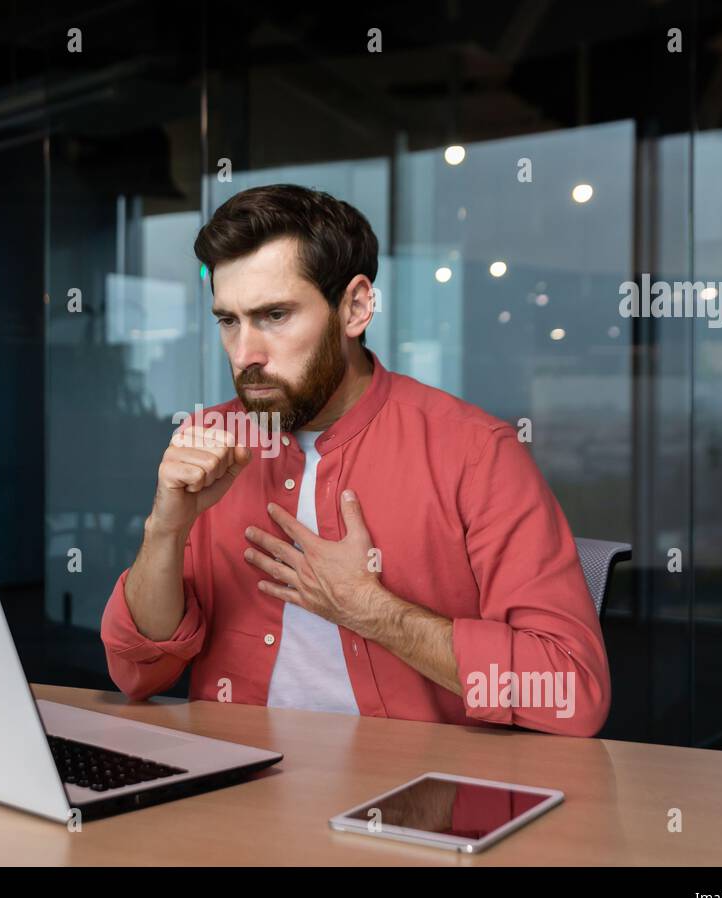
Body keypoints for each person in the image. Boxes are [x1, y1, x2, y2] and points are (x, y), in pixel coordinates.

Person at [99, 184, 610, 736]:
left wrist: (370, 609)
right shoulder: (214, 440)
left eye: (274, 315)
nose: (245, 354)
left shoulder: (475, 453)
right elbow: (138, 674)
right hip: (236, 791)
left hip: (413, 800)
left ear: (356, 307)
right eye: (229, 321)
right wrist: (166, 530)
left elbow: (570, 693)